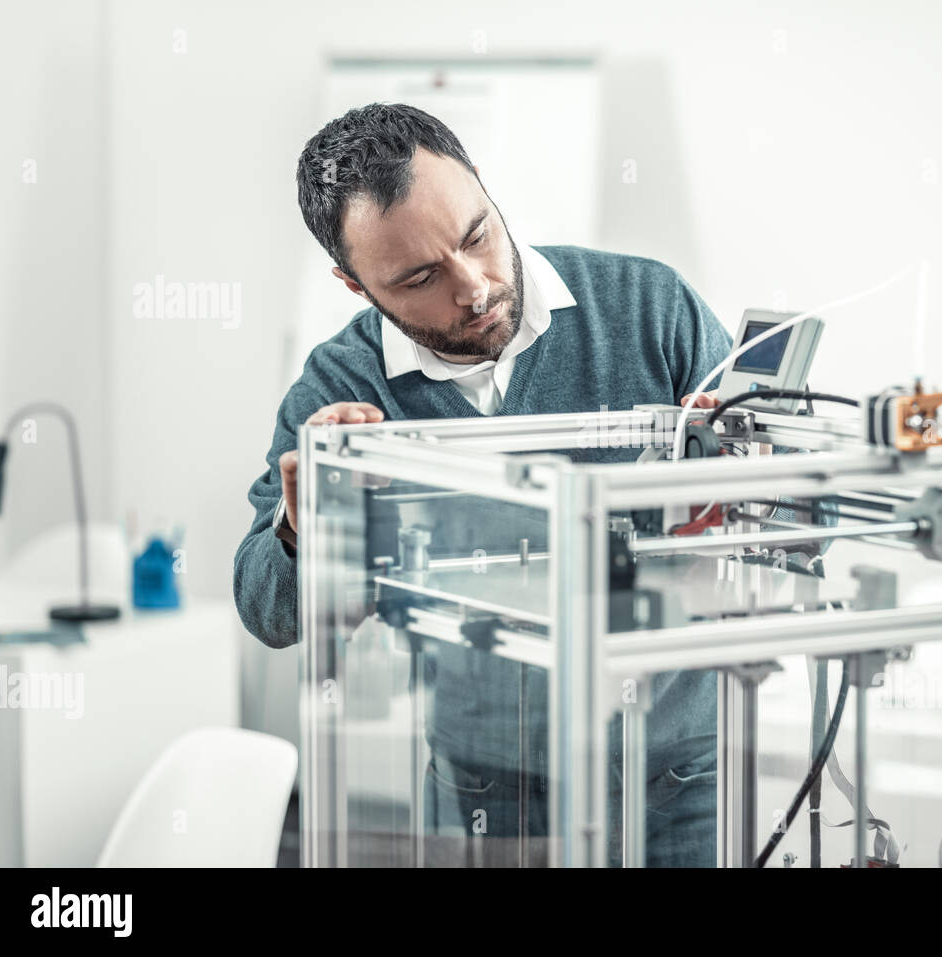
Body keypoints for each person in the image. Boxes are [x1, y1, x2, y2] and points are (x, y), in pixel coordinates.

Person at [233, 102, 732, 867]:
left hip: (676, 778)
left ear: (486, 190)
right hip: (488, 796)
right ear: (355, 283)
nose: (473, 288)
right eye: (421, 277)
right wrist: (307, 531)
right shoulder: (341, 382)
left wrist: (728, 467)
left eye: (477, 235)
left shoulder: (650, 307)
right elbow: (266, 607)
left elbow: (778, 508)